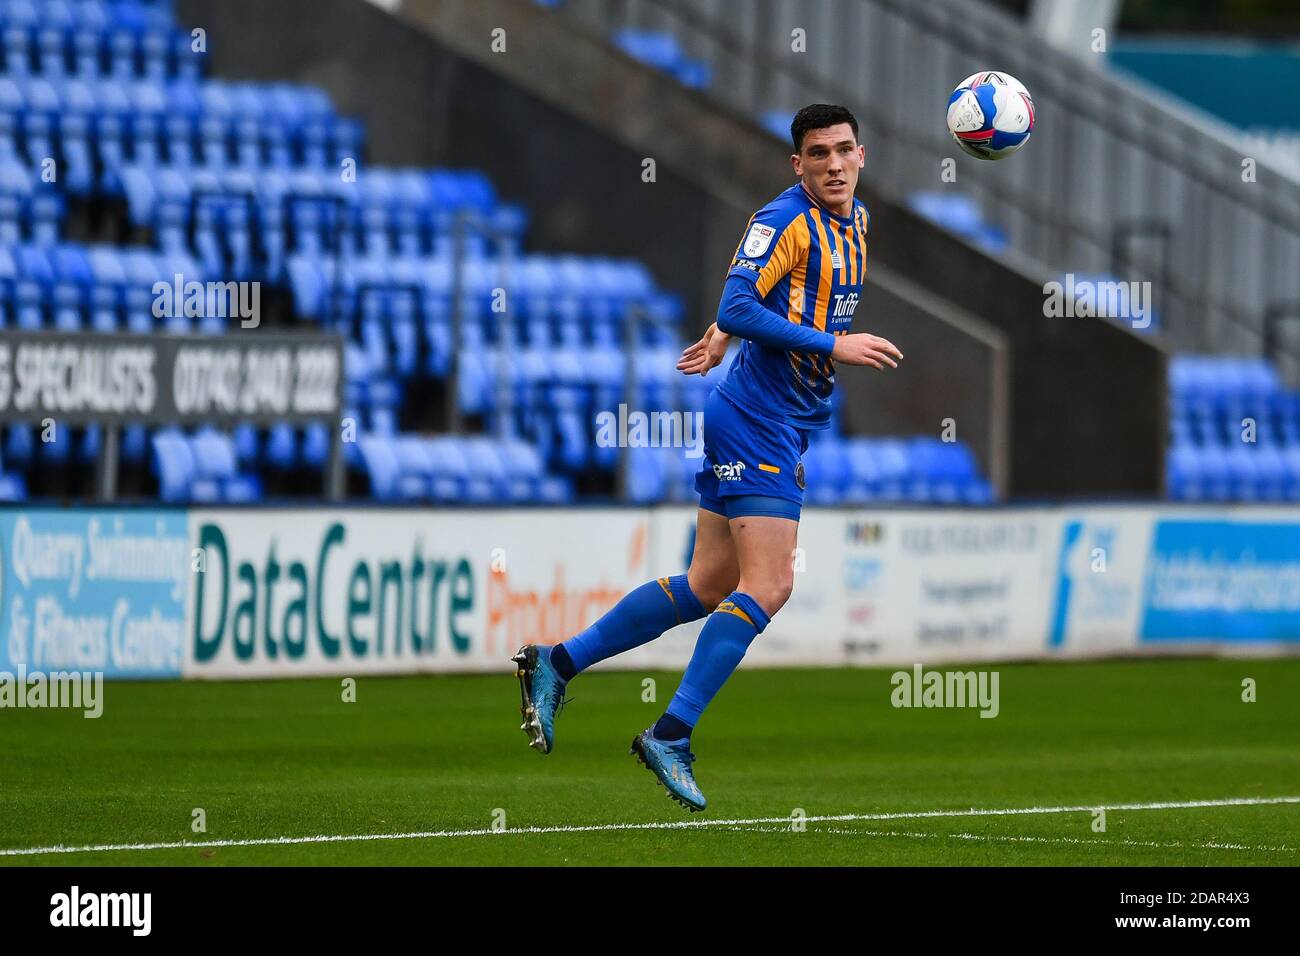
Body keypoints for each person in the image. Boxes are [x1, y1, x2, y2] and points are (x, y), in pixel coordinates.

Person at [512, 103, 903, 812]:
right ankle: (671, 733)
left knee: (709, 581)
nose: (835, 165)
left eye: (845, 151)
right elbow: (740, 298)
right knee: (772, 583)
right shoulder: (784, 220)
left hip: (777, 416)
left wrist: (721, 334)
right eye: (818, 154)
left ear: (862, 155)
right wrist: (826, 345)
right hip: (758, 417)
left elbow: (749, 306)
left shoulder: (857, 221)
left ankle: (556, 662)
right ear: (798, 165)